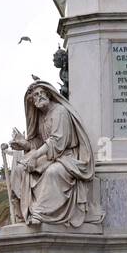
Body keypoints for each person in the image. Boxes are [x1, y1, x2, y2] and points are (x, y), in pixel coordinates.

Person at [9, 81, 100, 228]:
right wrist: (25, 144)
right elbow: (40, 142)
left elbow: (57, 142)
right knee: (21, 169)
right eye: (34, 97)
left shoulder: (60, 111)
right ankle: (23, 213)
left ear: (48, 94)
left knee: (53, 172)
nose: (38, 98)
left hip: (67, 157)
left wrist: (35, 156)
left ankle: (40, 213)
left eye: (40, 94)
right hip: (49, 157)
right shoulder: (41, 116)